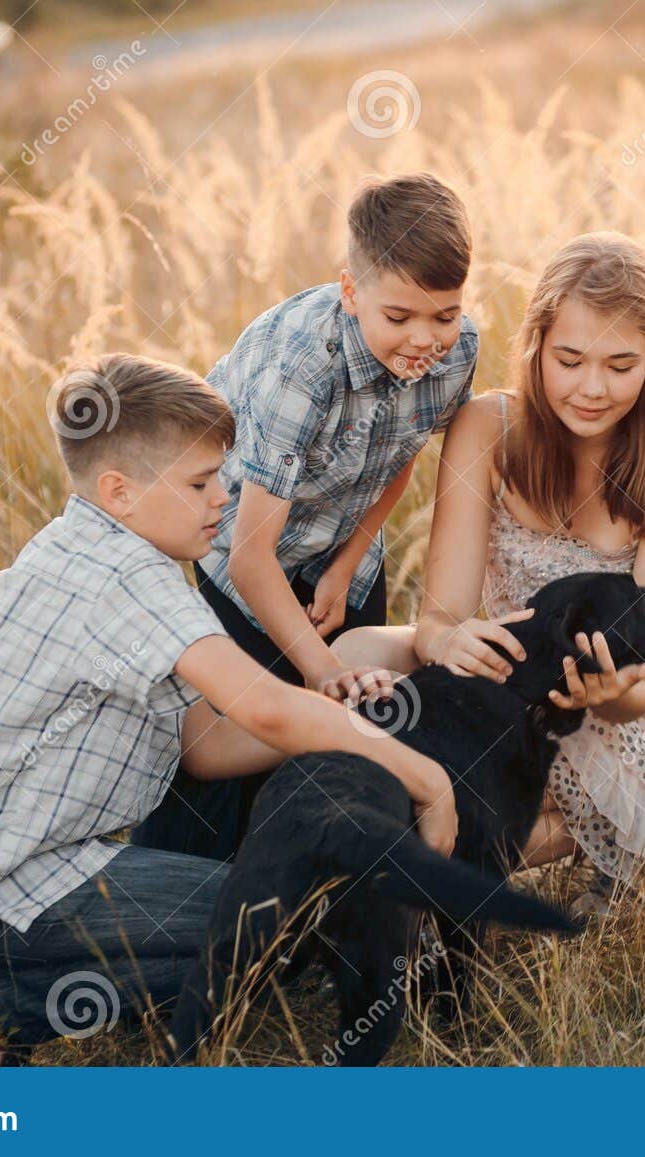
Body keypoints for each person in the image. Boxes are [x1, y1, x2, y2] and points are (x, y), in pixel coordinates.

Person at [0, 353, 453, 1065]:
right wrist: (427, 779)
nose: (223, 497)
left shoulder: (79, 547)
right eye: (201, 482)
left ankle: (61, 971)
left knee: (261, 907)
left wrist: (326, 713)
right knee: (281, 920)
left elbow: (202, 743)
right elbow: (263, 710)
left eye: (222, 476)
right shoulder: (128, 578)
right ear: (120, 490)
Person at [332, 232, 645, 917]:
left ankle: (589, 844)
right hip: (511, 661)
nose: (593, 387)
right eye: (570, 359)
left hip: (635, 715)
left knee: (460, 812)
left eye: (621, 364)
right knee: (353, 654)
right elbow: (441, 616)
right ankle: (382, 829)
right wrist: (447, 642)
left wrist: (603, 692)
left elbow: (636, 686)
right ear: (537, 347)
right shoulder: (487, 426)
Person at [131, 171, 479, 860]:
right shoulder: (305, 368)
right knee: (239, 744)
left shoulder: (456, 353)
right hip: (241, 554)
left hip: (338, 547)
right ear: (351, 293)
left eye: (444, 314)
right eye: (400, 316)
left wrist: (347, 564)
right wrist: (323, 675)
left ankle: (312, 893)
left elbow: (400, 452)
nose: (426, 338)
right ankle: (188, 897)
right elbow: (250, 560)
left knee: (336, 755)